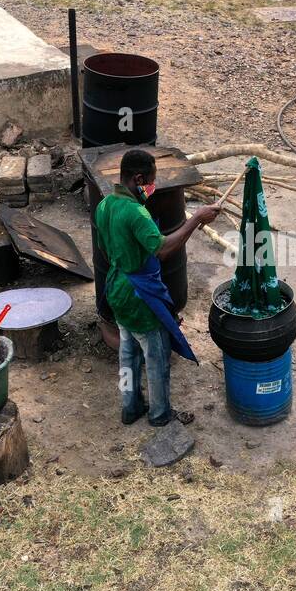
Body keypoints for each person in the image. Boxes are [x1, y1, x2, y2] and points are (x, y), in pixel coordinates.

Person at [94, 149, 220, 426]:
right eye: (151, 181)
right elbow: (163, 249)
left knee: (127, 352)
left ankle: (130, 407)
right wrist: (196, 218)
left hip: (116, 290)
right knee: (156, 356)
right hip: (140, 297)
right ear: (138, 178)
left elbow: (104, 249)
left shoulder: (104, 205)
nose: (152, 187)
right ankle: (160, 413)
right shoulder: (136, 213)